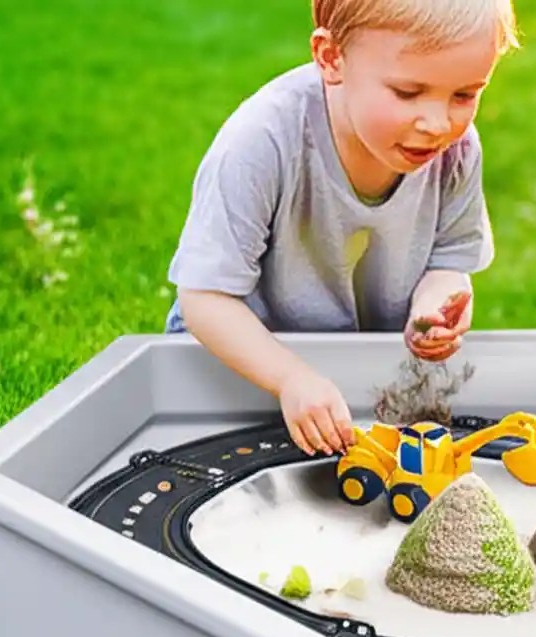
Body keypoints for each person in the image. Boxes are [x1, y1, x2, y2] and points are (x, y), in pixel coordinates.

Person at [162, 0, 516, 457]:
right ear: (331, 58)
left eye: (464, 95)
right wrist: (290, 378)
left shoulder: (457, 150)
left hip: (352, 381)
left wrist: (432, 310)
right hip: (239, 372)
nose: (437, 123)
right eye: (407, 92)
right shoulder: (262, 142)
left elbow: (448, 263)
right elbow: (205, 299)